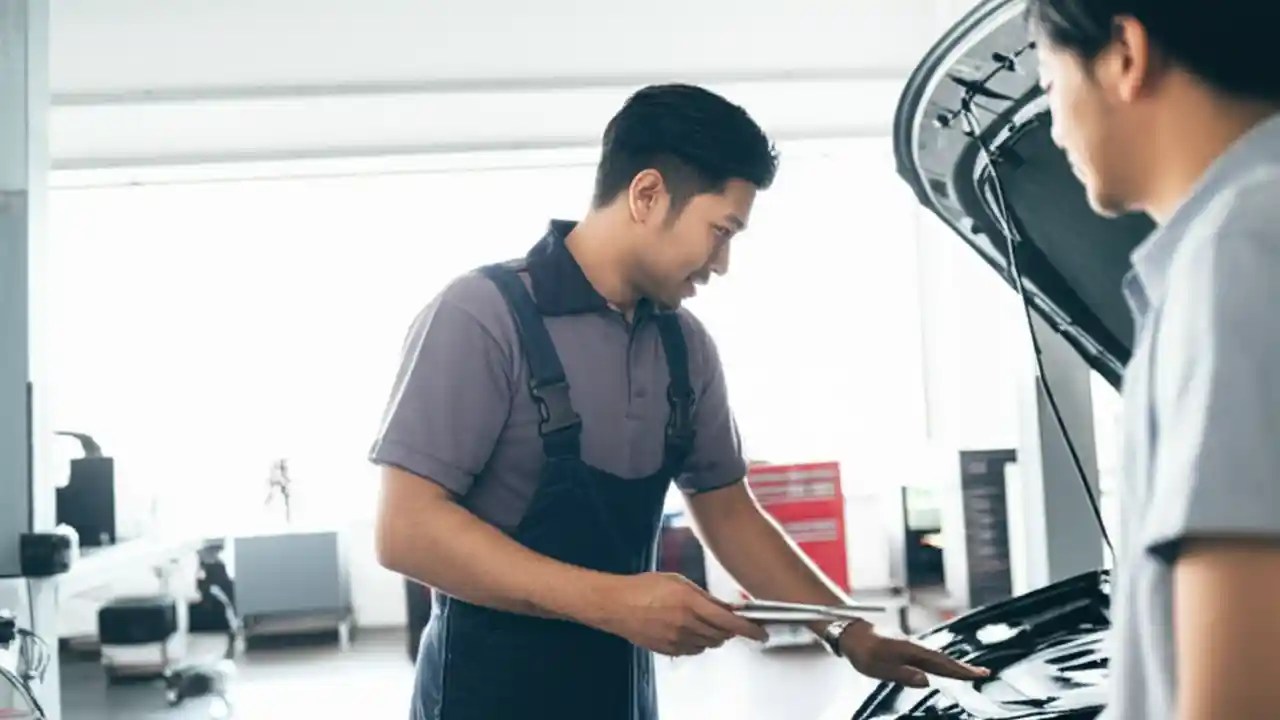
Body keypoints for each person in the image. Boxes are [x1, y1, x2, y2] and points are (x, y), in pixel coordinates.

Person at [369, 83, 987, 720]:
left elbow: (728, 513)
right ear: (646, 195)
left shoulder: (686, 348)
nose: (721, 264)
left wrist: (849, 631)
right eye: (719, 231)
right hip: (482, 701)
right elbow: (405, 532)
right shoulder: (480, 317)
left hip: (622, 701)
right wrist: (610, 602)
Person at [1027, 2, 1280, 718]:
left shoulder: (1242, 251)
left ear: (1126, 54)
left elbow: (1241, 696)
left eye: (1048, 85)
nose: (1052, 126)